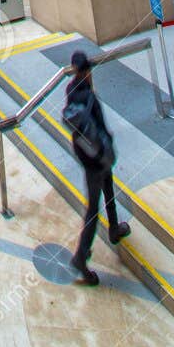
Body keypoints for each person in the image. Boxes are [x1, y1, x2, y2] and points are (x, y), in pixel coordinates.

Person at [62, 50, 130, 285]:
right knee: (93, 208)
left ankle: (113, 228)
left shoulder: (71, 90)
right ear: (86, 72)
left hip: (89, 153)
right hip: (95, 158)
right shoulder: (85, 95)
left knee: (109, 185)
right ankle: (80, 258)